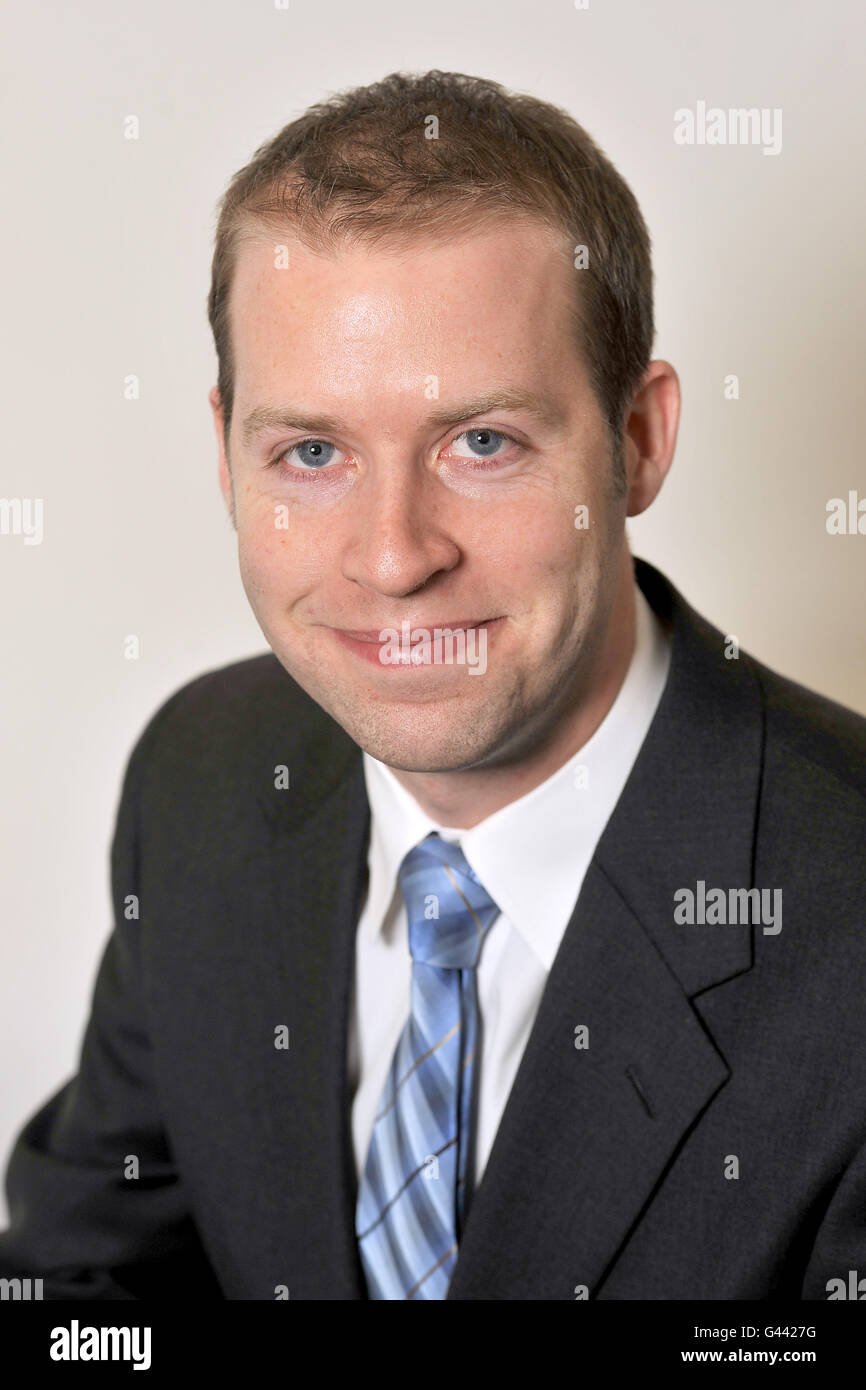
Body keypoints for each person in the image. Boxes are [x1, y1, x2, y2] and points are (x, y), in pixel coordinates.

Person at [1, 70, 864, 1302]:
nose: (394, 555)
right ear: (224, 454)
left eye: (482, 443)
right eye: (310, 452)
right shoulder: (204, 776)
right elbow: (88, 1290)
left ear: (637, 440)